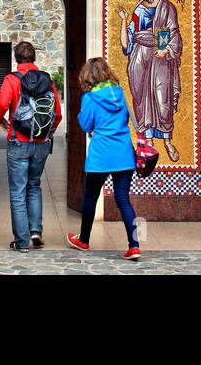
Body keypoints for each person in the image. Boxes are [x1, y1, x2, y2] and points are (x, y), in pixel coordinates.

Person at [0, 41, 62, 253]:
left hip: (18, 141)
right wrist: (48, 132)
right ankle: (35, 230)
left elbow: (2, 104)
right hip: (41, 143)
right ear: (35, 58)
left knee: (17, 191)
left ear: (15, 59)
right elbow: (57, 113)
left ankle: (21, 242)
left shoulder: (12, 79)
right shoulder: (46, 80)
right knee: (34, 185)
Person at [68, 56, 140, 260]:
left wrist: (86, 117)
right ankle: (134, 245)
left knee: (90, 197)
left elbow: (86, 125)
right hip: (124, 153)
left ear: (87, 77)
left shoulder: (90, 98)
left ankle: (83, 239)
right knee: (124, 200)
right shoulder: (119, 92)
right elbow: (125, 119)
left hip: (100, 154)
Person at [117, 0, 182, 162]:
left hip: (160, 60)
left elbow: (175, 34)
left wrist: (167, 50)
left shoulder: (167, 7)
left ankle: (167, 141)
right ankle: (148, 140)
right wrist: (123, 20)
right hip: (139, 59)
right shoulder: (138, 9)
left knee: (163, 100)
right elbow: (126, 42)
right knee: (141, 100)